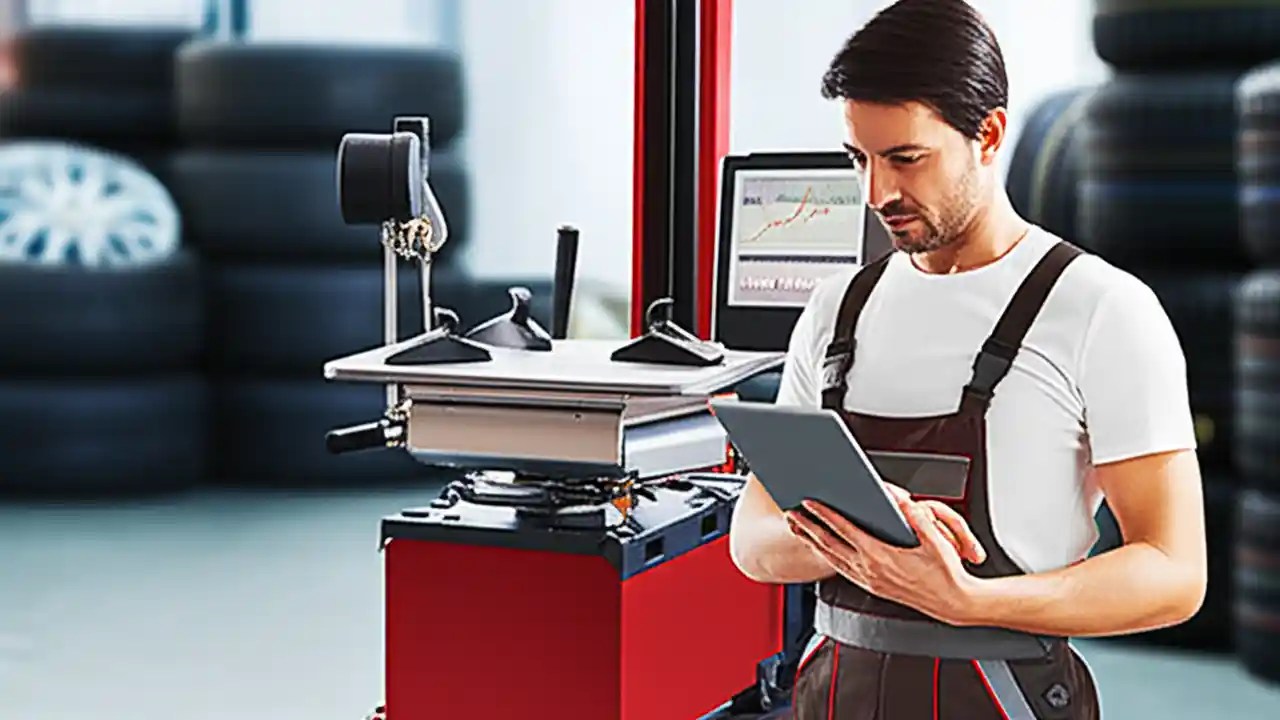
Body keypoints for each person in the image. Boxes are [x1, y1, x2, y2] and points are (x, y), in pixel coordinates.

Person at [727, 1, 1208, 718]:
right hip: (832, 695)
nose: (876, 194)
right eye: (858, 159)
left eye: (906, 159)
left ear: (989, 135)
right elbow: (753, 541)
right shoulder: (836, 311)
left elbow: (1174, 572)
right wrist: (870, 538)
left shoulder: (1100, 309)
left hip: (1005, 696)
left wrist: (967, 598)